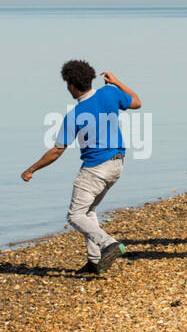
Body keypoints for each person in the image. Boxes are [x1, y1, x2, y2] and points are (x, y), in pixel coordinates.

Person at [21, 60, 141, 275]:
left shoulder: (75, 115)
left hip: (95, 169)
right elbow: (137, 102)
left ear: (71, 85)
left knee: (75, 216)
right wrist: (117, 82)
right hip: (117, 164)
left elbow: (57, 151)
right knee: (89, 211)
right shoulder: (109, 93)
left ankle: (108, 244)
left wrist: (31, 169)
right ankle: (95, 262)